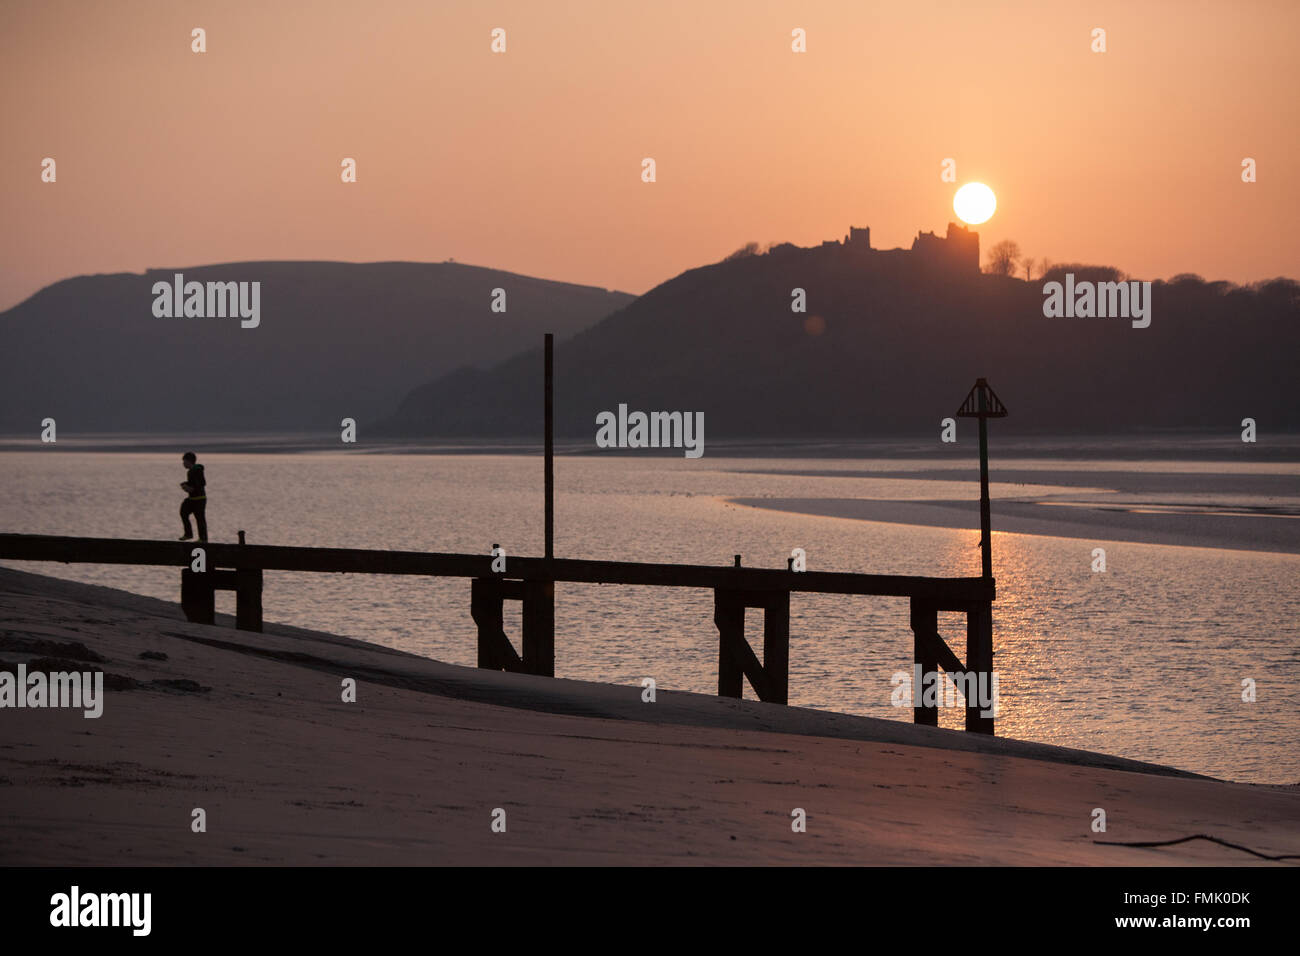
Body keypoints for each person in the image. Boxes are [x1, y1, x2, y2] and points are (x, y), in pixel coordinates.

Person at [178, 452, 207, 542]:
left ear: (188, 461)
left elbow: (201, 484)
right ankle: (188, 534)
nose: (183, 464)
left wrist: (188, 488)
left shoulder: (197, 470)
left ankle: (203, 539)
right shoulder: (190, 471)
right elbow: (193, 485)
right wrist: (186, 485)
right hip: (192, 499)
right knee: (183, 512)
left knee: (200, 518)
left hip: (199, 499)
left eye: (184, 461)